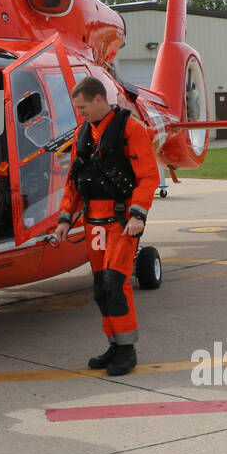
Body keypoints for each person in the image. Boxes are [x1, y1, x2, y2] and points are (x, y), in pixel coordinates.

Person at [54, 77, 159, 376]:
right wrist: (65, 217)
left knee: (115, 284)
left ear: (99, 99)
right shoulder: (83, 133)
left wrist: (138, 214)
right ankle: (114, 344)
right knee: (101, 288)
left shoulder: (131, 129)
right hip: (94, 221)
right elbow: (74, 180)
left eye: (83, 107)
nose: (80, 113)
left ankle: (127, 350)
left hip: (122, 222)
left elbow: (148, 176)